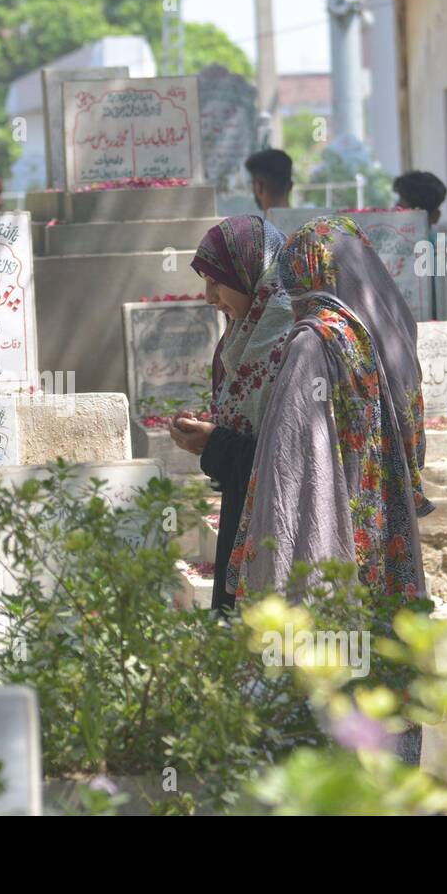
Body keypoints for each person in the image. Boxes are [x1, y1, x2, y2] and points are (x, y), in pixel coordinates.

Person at [228, 215, 433, 607]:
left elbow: (285, 464)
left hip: (329, 535)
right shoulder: (379, 339)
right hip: (379, 526)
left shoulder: (313, 342)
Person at [167, 215, 295, 611]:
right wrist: (209, 435)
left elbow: (291, 458)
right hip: (244, 510)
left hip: (283, 527)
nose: (208, 297)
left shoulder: (290, 343)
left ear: (249, 273)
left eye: (215, 282)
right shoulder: (242, 335)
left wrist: (215, 442)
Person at [244, 148, 294, 213]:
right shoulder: (307, 221)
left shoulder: (253, 222)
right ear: (290, 186)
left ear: (260, 187)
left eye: (253, 184)